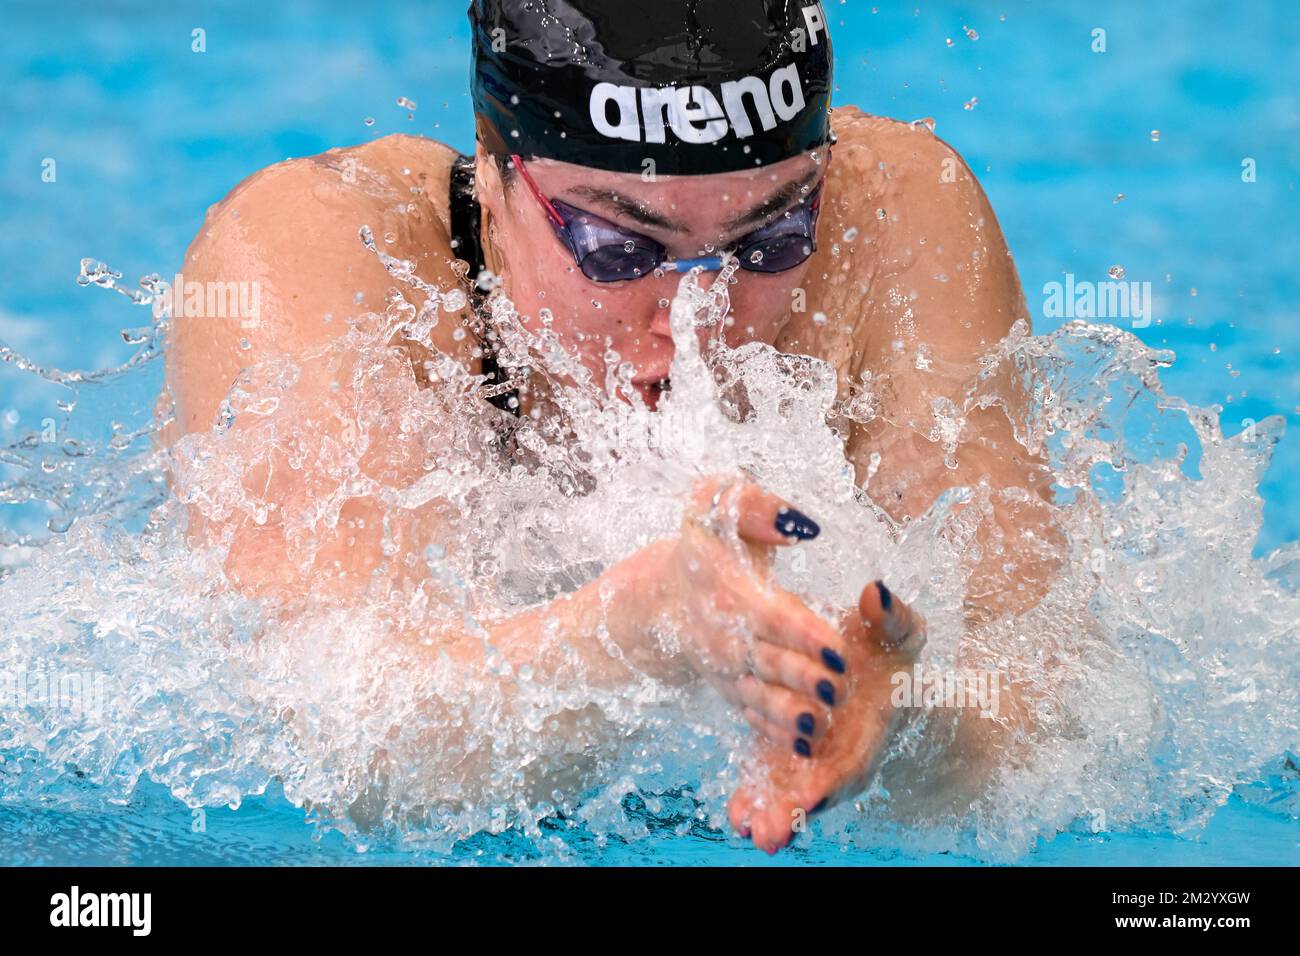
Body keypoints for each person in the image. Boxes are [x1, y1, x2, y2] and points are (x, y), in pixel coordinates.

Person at [164, 0, 1054, 854]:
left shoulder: (894, 216)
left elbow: (1057, 714)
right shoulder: (326, 258)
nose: (698, 321)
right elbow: (336, 749)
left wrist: (902, 718)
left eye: (770, 240)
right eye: (620, 250)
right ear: (495, 179)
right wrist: (636, 627)